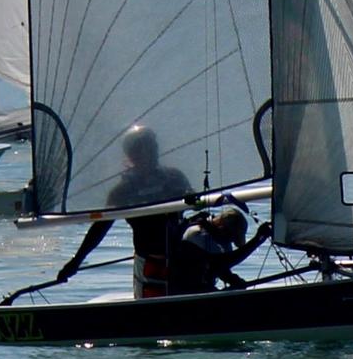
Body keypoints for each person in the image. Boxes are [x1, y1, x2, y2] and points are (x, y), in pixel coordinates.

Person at [53, 125, 194, 298]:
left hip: (181, 258)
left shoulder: (174, 177)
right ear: (132, 155)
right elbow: (100, 227)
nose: (153, 152)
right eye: (146, 148)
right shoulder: (124, 191)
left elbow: (195, 201)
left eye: (154, 147)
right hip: (150, 261)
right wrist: (76, 261)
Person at [169, 208, 273, 295]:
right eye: (230, 237)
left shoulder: (222, 241)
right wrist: (257, 239)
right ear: (221, 226)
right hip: (184, 291)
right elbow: (218, 263)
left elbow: (221, 269)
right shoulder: (196, 233)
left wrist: (232, 279)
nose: (229, 241)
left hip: (202, 291)